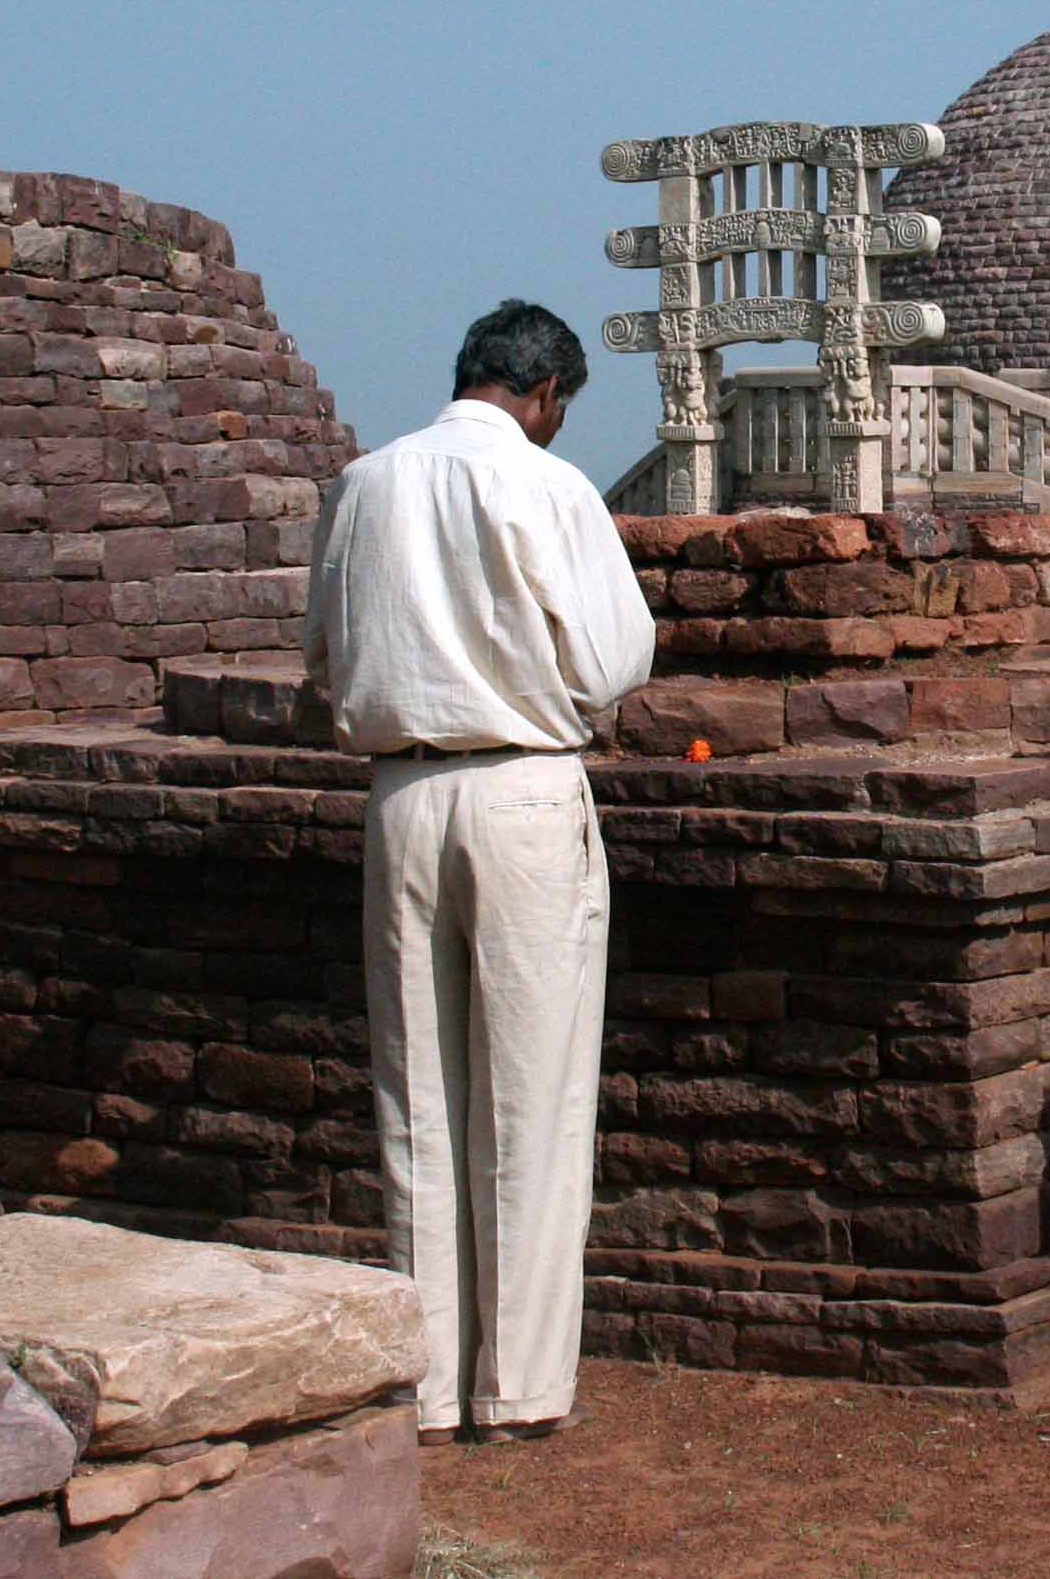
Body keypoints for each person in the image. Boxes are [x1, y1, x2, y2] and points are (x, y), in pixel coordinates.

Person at [303, 299, 655, 1447]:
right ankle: (520, 1387)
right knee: (531, 1095)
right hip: (519, 788)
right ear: (547, 396)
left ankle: (430, 1381)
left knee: (421, 1098)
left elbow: (324, 652)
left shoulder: (366, 483)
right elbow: (609, 660)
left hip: (401, 793)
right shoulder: (550, 489)